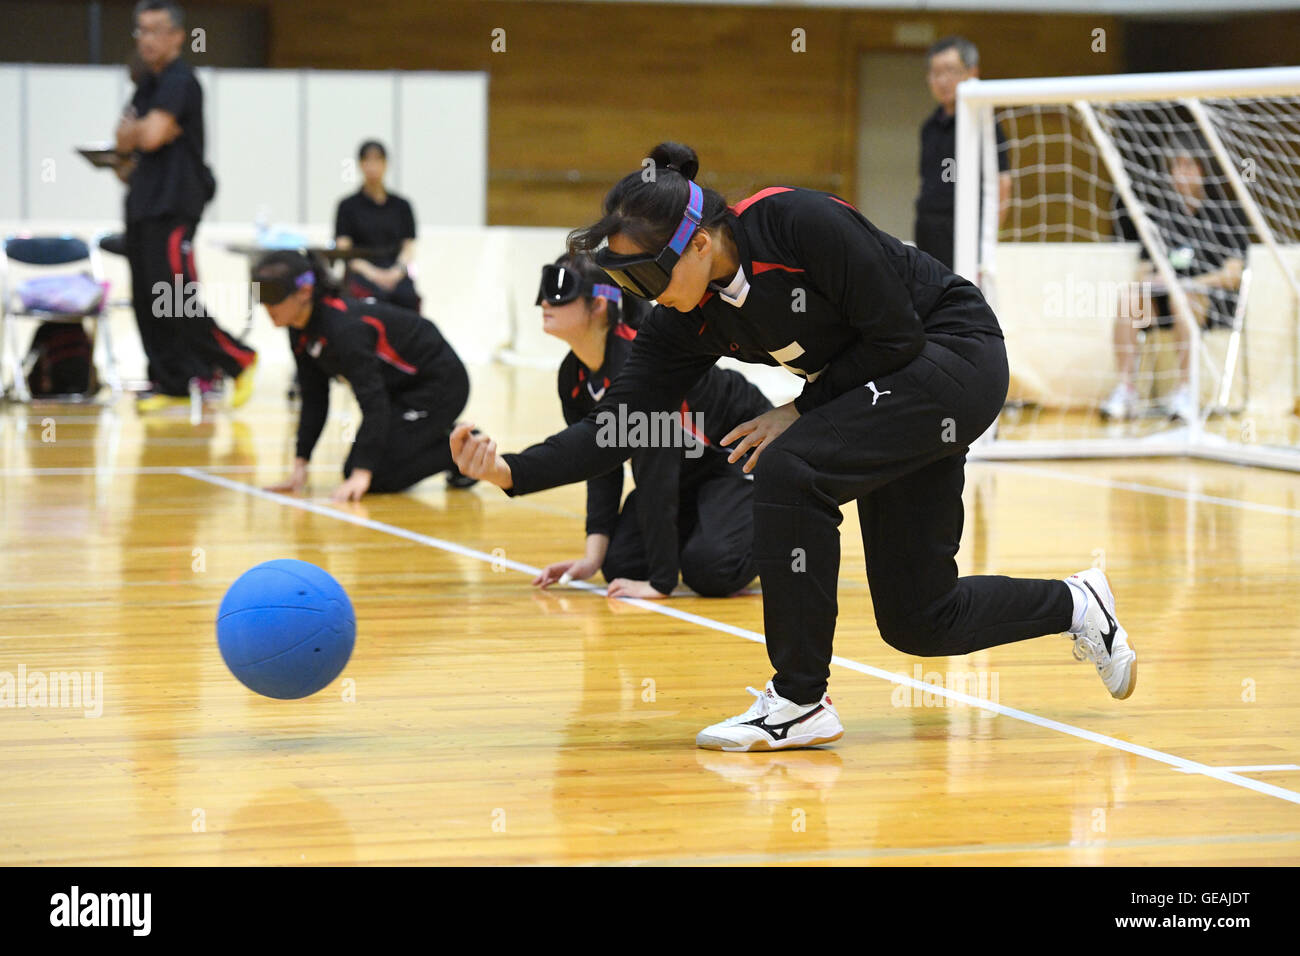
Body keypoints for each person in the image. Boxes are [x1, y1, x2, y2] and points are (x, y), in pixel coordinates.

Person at [450, 142, 1137, 753]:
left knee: (789, 466)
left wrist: (801, 409)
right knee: (921, 619)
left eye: (646, 278)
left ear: (697, 244)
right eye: (625, 284)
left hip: (951, 354)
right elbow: (622, 421)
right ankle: (1079, 605)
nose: (641, 297)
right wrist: (513, 470)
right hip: (892, 390)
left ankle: (799, 701)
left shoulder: (797, 222)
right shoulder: (683, 322)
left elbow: (896, 338)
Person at [532, 252, 772, 600]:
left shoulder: (640, 365)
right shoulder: (574, 377)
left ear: (599, 304)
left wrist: (662, 582)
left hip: (737, 454)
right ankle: (713, 528)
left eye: (559, 292)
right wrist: (592, 557)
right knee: (621, 565)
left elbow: (656, 474)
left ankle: (781, 526)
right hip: (687, 470)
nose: (543, 302)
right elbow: (599, 463)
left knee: (713, 571)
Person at [116, 0, 257, 411]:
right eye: (141, 31)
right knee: (146, 297)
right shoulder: (146, 86)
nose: (147, 40)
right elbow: (126, 142)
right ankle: (170, 381)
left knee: (171, 295)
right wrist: (139, 135)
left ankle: (238, 360)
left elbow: (150, 136)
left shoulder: (181, 80)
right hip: (141, 205)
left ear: (177, 36)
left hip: (173, 206)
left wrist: (140, 133)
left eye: (156, 30)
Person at [252, 250, 474, 502]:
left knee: (374, 476)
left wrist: (362, 472)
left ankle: (464, 448)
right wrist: (300, 467)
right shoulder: (299, 330)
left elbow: (373, 401)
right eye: (261, 298)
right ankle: (440, 439)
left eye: (273, 298)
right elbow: (314, 397)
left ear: (304, 292)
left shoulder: (344, 330)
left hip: (440, 384)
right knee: (361, 468)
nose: (267, 308)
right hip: (399, 390)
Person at [1101, 144, 1248, 422]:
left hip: (1211, 301)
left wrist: (1188, 284)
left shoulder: (1225, 213)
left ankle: (1185, 391)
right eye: (1176, 167)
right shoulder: (1162, 216)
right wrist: (1154, 281)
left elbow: (1233, 275)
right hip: (1165, 297)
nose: (1181, 174)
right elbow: (1143, 270)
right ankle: (1126, 388)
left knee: (1185, 300)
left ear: (1203, 171)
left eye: (1188, 166)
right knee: (1130, 298)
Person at [914, 36, 1011, 272]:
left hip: (967, 233)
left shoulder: (986, 126)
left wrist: (986, 245)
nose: (943, 80)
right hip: (928, 232)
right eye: (936, 73)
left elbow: (1003, 183)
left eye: (951, 71)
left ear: (972, 73)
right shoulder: (928, 127)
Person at [334, 141, 421, 312]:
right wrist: (374, 274)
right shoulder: (347, 206)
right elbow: (344, 249)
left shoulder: (402, 206)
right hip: (362, 271)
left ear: (386, 164)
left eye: (378, 160)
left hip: (394, 270)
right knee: (371, 300)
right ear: (360, 165)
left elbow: (408, 246)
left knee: (408, 297)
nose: (373, 166)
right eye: (367, 160)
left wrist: (396, 272)